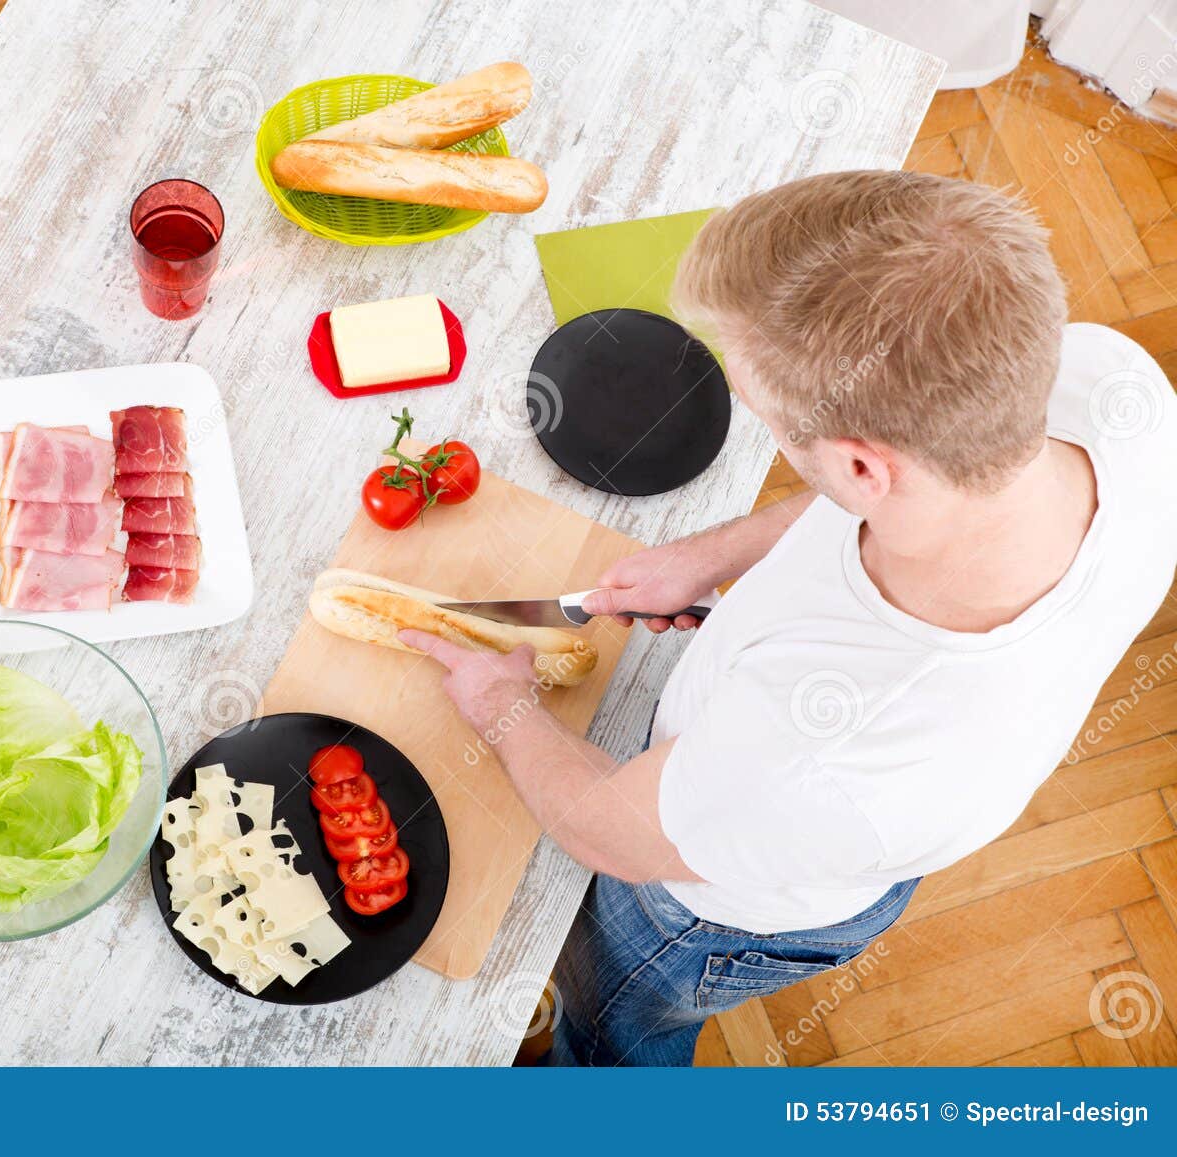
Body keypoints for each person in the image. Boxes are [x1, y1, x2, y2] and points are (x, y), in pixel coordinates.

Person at [400, 170, 1177, 1066]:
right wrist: (710, 558)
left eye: (766, 417)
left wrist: (501, 702)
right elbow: (870, 504)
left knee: (610, 1035)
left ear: (859, 468)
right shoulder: (1114, 390)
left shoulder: (816, 748)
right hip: (814, 813)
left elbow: (604, 830)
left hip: (703, 910)